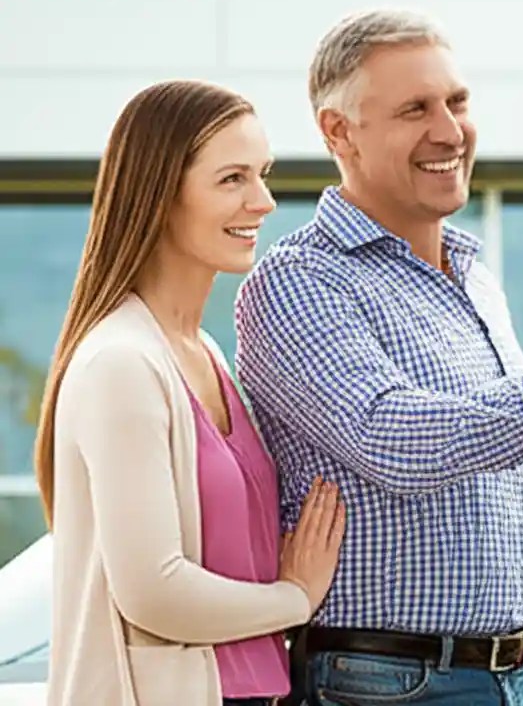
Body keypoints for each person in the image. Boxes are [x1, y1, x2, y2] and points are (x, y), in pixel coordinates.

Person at [232, 9, 523, 706]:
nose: (450, 132)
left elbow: (489, 446)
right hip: (391, 684)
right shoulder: (299, 282)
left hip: (519, 674)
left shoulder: (474, 275)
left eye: (456, 102)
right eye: (415, 109)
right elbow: (395, 437)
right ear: (339, 132)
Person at [34, 80, 347, 706]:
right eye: (232, 179)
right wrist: (294, 597)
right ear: (159, 195)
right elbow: (153, 591)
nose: (262, 202)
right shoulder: (122, 362)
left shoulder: (204, 351)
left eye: (263, 174)